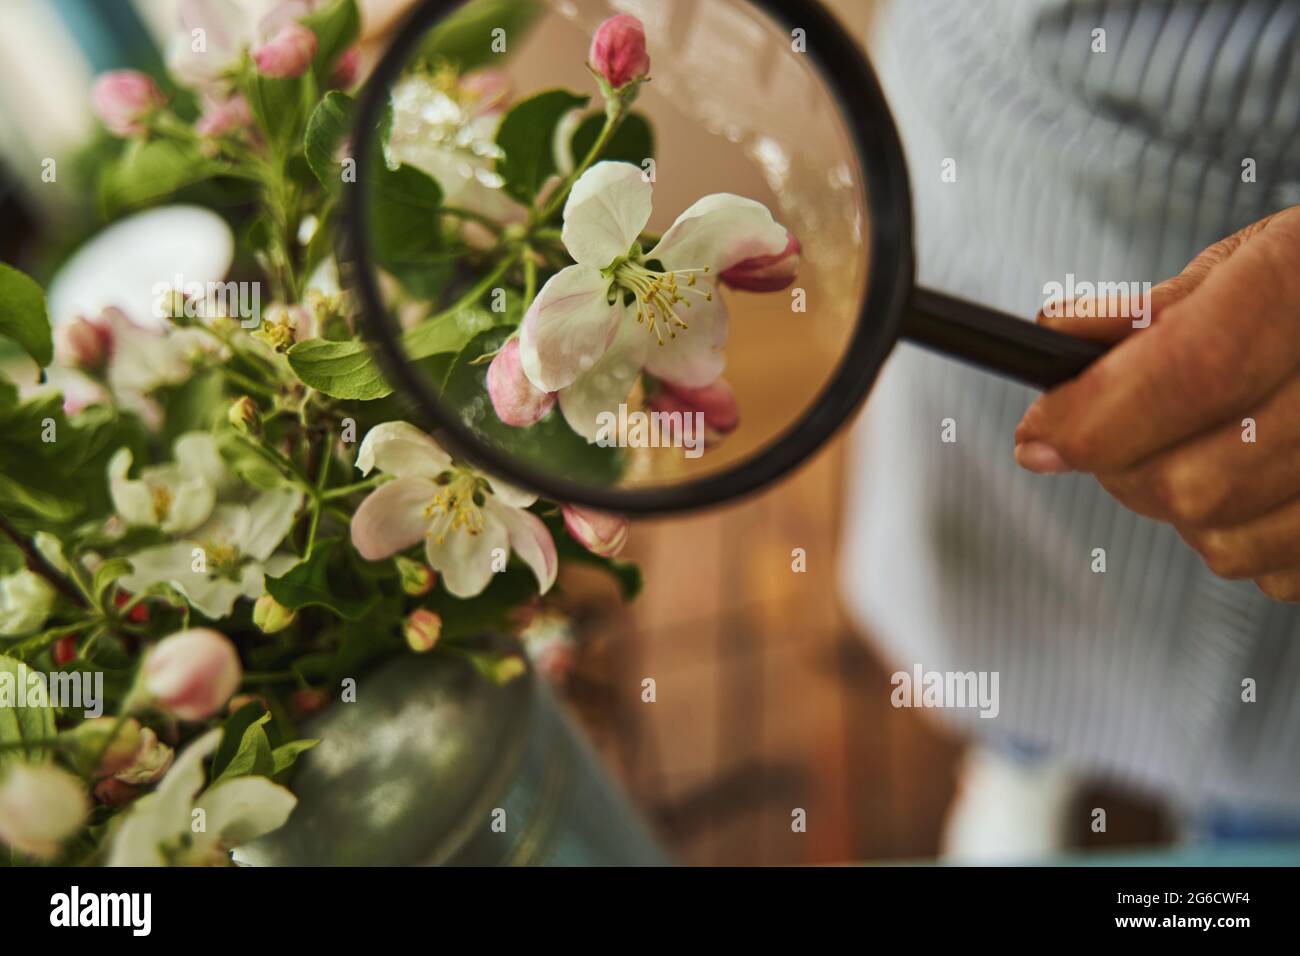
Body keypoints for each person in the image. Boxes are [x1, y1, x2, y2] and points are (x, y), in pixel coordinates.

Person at [840, 0, 1300, 859]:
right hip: (1023, 122)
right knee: (1009, 605)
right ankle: (1019, 751)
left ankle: (1237, 838)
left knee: (1275, 767)